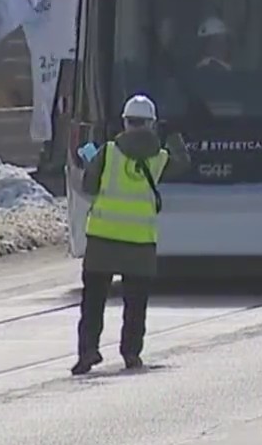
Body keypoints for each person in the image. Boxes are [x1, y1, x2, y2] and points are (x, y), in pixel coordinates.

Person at [73, 94, 189, 376]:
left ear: (125, 122)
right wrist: (174, 138)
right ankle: (131, 353)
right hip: (140, 243)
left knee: (94, 300)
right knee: (136, 303)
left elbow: (88, 186)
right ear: (152, 124)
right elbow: (183, 163)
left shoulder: (108, 151)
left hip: (102, 239)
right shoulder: (160, 158)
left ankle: (88, 350)